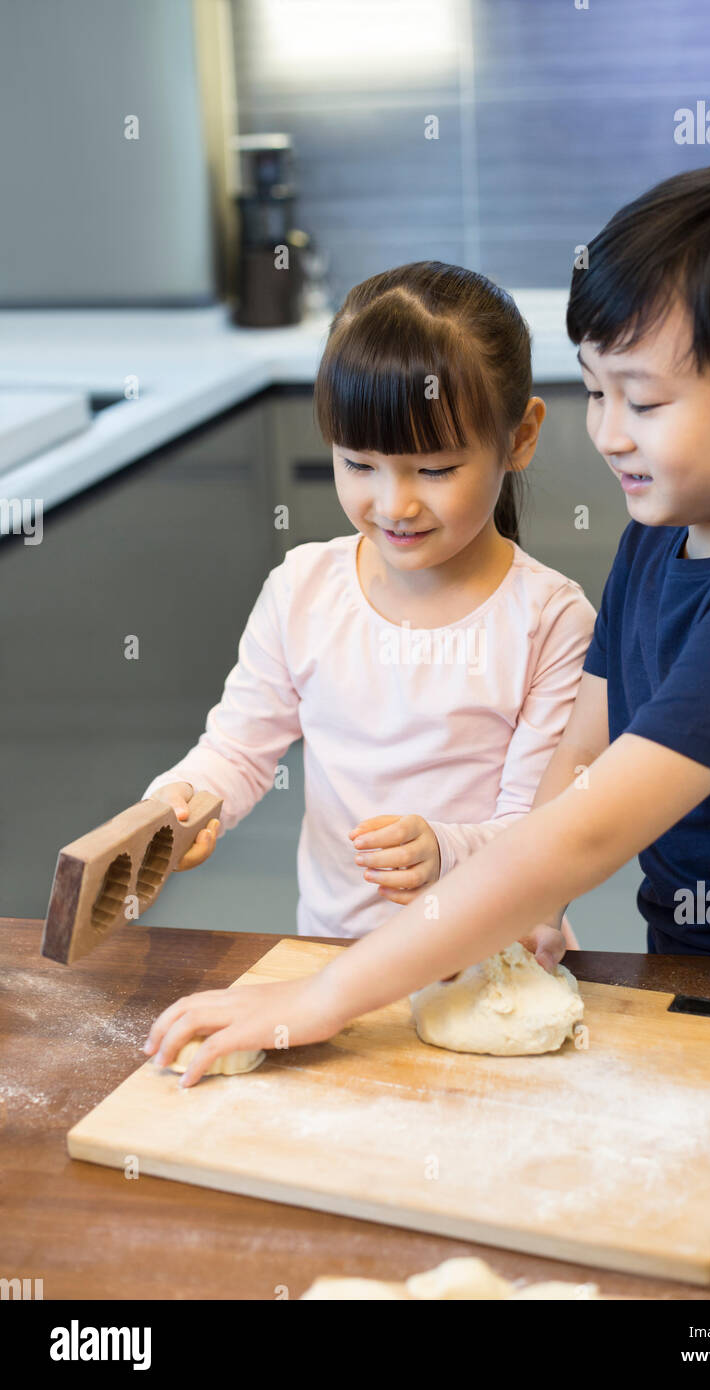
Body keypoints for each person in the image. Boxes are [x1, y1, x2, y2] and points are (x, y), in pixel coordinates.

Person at [145, 163, 710, 1086]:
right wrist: (527, 909)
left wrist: (322, 998)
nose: (607, 433)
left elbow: (586, 832)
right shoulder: (665, 535)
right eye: (597, 392)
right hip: (693, 959)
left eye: (643, 402)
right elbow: (577, 760)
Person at [140, 261, 596, 956]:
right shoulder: (302, 591)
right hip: (337, 959)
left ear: (521, 437)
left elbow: (542, 834)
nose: (394, 504)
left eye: (435, 469)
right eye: (358, 464)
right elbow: (237, 749)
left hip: (494, 963)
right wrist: (183, 802)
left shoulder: (551, 622)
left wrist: (444, 850)